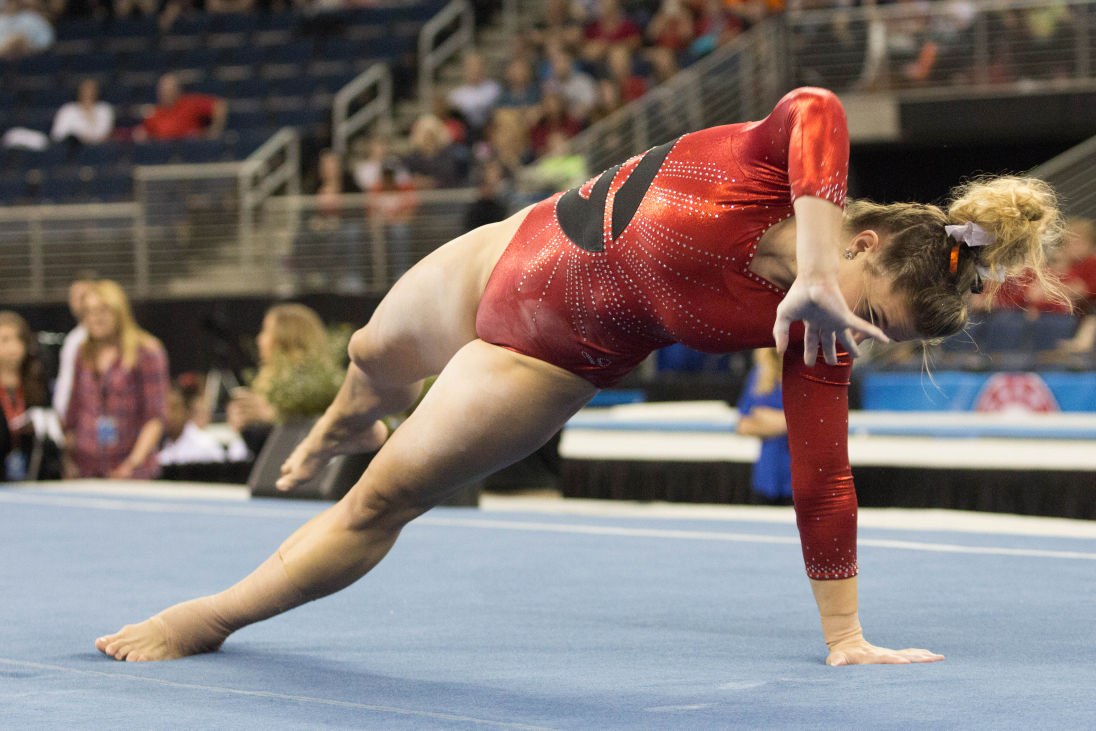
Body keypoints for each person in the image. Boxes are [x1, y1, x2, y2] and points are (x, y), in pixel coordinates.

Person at [96, 87, 1061, 667]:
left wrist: (845, 634)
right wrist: (810, 268)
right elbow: (818, 108)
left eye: (877, 335)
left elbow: (823, 482)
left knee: (380, 501)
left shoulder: (817, 337)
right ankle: (345, 418)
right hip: (515, 244)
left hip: (547, 355)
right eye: (870, 307)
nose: (858, 331)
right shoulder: (781, 176)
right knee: (368, 358)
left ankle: (208, 617)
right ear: (855, 237)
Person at [63, 280, 169, 479]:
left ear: (119, 312)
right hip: (87, 468)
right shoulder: (82, 352)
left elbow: (156, 417)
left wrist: (131, 464)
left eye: (103, 310)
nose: (95, 318)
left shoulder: (147, 351)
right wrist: (69, 459)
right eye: (89, 312)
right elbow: (73, 410)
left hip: (132, 468)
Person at [226, 303, 332, 455]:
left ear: (286, 338)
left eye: (265, 331)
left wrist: (272, 416)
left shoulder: (311, 385)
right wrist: (244, 425)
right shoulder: (268, 381)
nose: (259, 339)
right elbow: (260, 448)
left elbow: (314, 434)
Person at [735, 348, 791, 504]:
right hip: (766, 478)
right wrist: (785, 423)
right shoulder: (759, 375)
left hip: (797, 480)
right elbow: (743, 426)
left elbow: (808, 424)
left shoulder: (806, 374)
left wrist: (763, 416)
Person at [0, 311, 50, 481]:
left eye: (19, 339)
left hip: (33, 473)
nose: (14, 346)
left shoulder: (37, 380)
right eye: (5, 340)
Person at [52, 272, 97, 420]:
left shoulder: (105, 337)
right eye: (73, 297)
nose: (77, 302)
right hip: (70, 423)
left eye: (83, 296)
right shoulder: (73, 338)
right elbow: (66, 382)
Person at [133, 73, 228, 142]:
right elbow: (143, 132)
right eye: (163, 90)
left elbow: (220, 105)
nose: (166, 93)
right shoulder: (154, 113)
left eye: (170, 89)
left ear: (178, 90)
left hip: (190, 153)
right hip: (163, 158)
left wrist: (214, 130)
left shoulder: (190, 103)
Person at [158, 384, 233, 466]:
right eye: (163, 408)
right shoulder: (157, 443)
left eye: (174, 408)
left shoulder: (206, 444)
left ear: (187, 412)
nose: (167, 414)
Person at [50, 78, 114, 147]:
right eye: (85, 90)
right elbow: (57, 135)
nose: (88, 93)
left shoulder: (104, 109)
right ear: (79, 91)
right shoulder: (68, 109)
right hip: (73, 149)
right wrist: (77, 136)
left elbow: (105, 132)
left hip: (99, 149)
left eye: (92, 90)